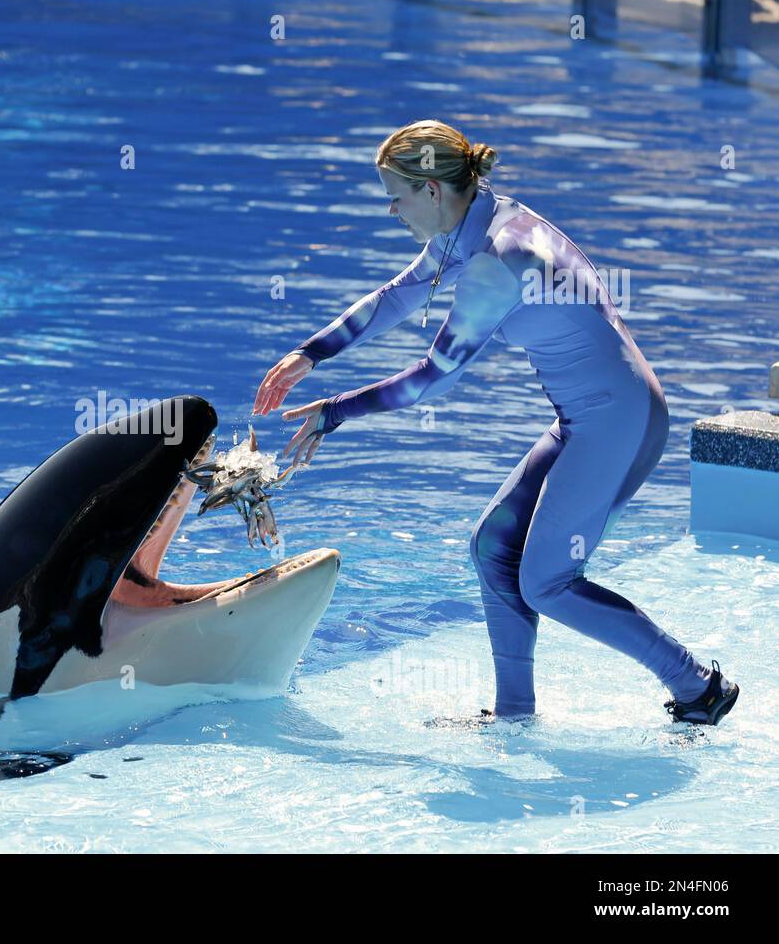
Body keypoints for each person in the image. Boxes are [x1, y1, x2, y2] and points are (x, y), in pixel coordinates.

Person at [252, 119, 738, 725]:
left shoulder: (501, 259)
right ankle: (514, 715)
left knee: (547, 582)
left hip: (620, 424)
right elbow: (396, 296)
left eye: (395, 196)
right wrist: (311, 354)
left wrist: (334, 412)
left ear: (431, 190)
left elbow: (434, 376)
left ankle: (698, 686)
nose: (392, 211)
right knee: (493, 547)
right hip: (587, 420)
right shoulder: (476, 222)